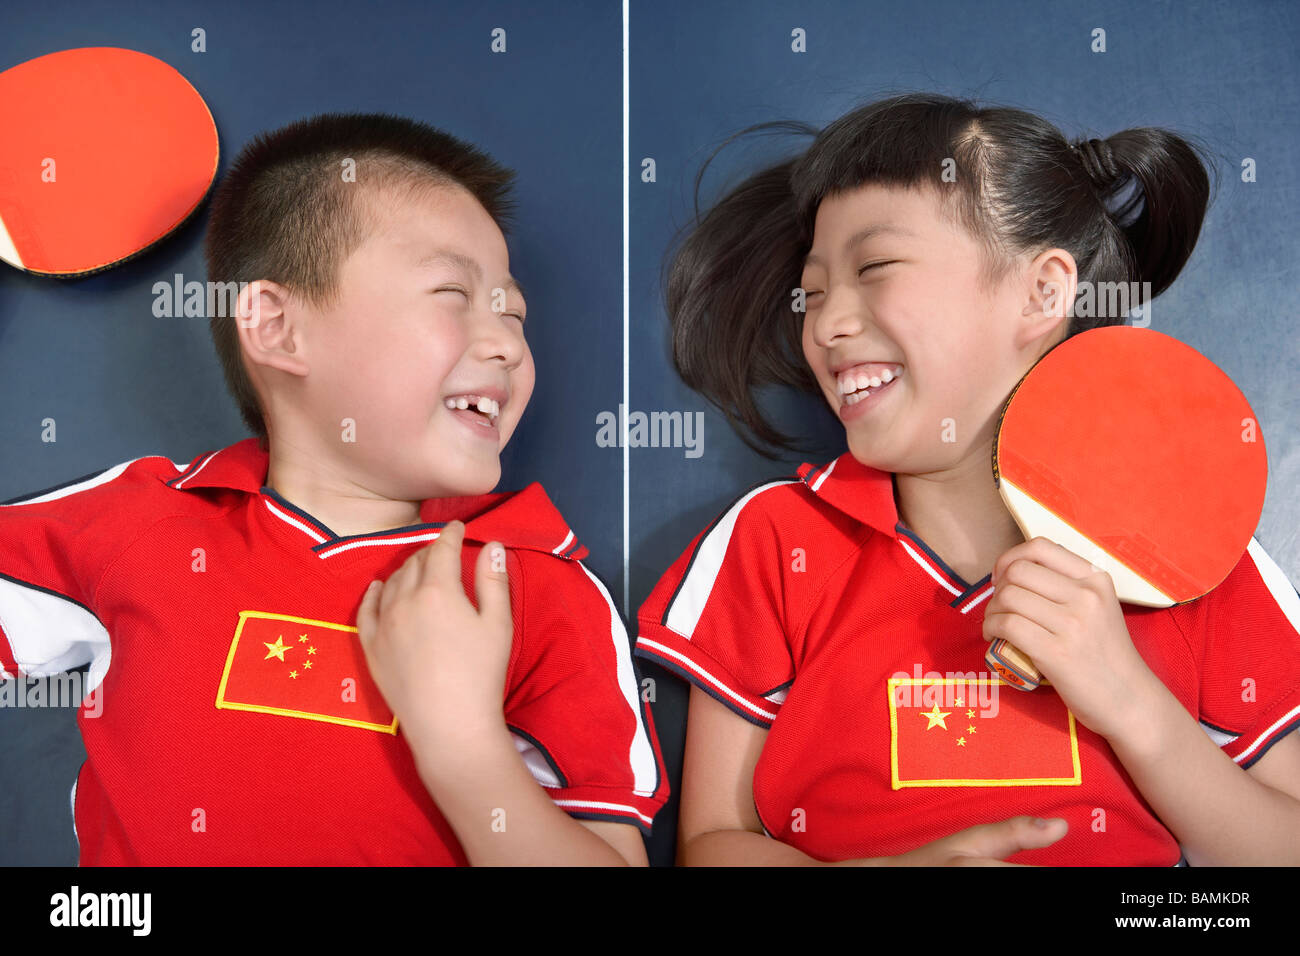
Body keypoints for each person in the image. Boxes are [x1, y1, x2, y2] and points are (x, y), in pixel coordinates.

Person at [634, 92, 1300, 865]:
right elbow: (714, 844)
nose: (825, 323)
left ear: (1043, 292)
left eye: (875, 267)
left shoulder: (1188, 551)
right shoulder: (777, 540)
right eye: (812, 293)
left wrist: (1130, 702)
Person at [0, 113, 667, 865]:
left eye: (512, 311)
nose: (507, 342)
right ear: (278, 328)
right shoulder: (140, 522)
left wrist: (464, 747)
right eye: (453, 292)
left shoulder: (535, 583)